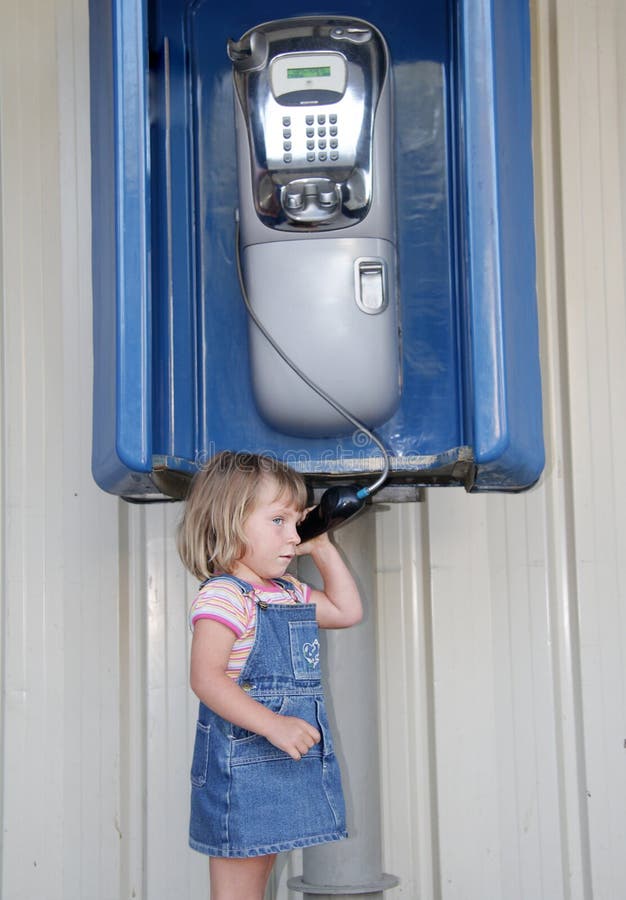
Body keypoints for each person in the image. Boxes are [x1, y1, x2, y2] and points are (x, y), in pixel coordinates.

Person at [177, 451, 363, 900]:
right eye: (278, 520)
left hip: (278, 764)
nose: (293, 535)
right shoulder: (225, 596)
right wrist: (273, 725)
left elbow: (346, 611)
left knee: (257, 883)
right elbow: (206, 679)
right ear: (229, 521)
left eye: (298, 522)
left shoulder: (287, 591)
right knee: (238, 891)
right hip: (243, 768)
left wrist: (321, 545)